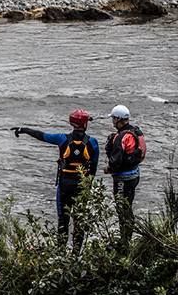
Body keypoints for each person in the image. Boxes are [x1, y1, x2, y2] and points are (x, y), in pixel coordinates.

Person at [13, 109, 99, 252]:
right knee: (79, 221)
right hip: (82, 185)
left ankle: (60, 253)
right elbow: (93, 168)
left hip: (65, 184)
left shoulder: (62, 139)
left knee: (63, 221)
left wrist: (24, 130)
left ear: (72, 123)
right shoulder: (93, 142)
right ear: (85, 124)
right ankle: (76, 254)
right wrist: (88, 185)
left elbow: (42, 136)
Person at [104, 104, 146, 246]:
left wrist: (108, 169)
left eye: (113, 119)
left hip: (123, 178)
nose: (113, 122)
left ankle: (124, 242)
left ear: (118, 119)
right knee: (127, 207)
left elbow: (115, 161)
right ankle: (126, 238)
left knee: (122, 208)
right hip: (135, 175)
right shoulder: (135, 131)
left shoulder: (121, 137)